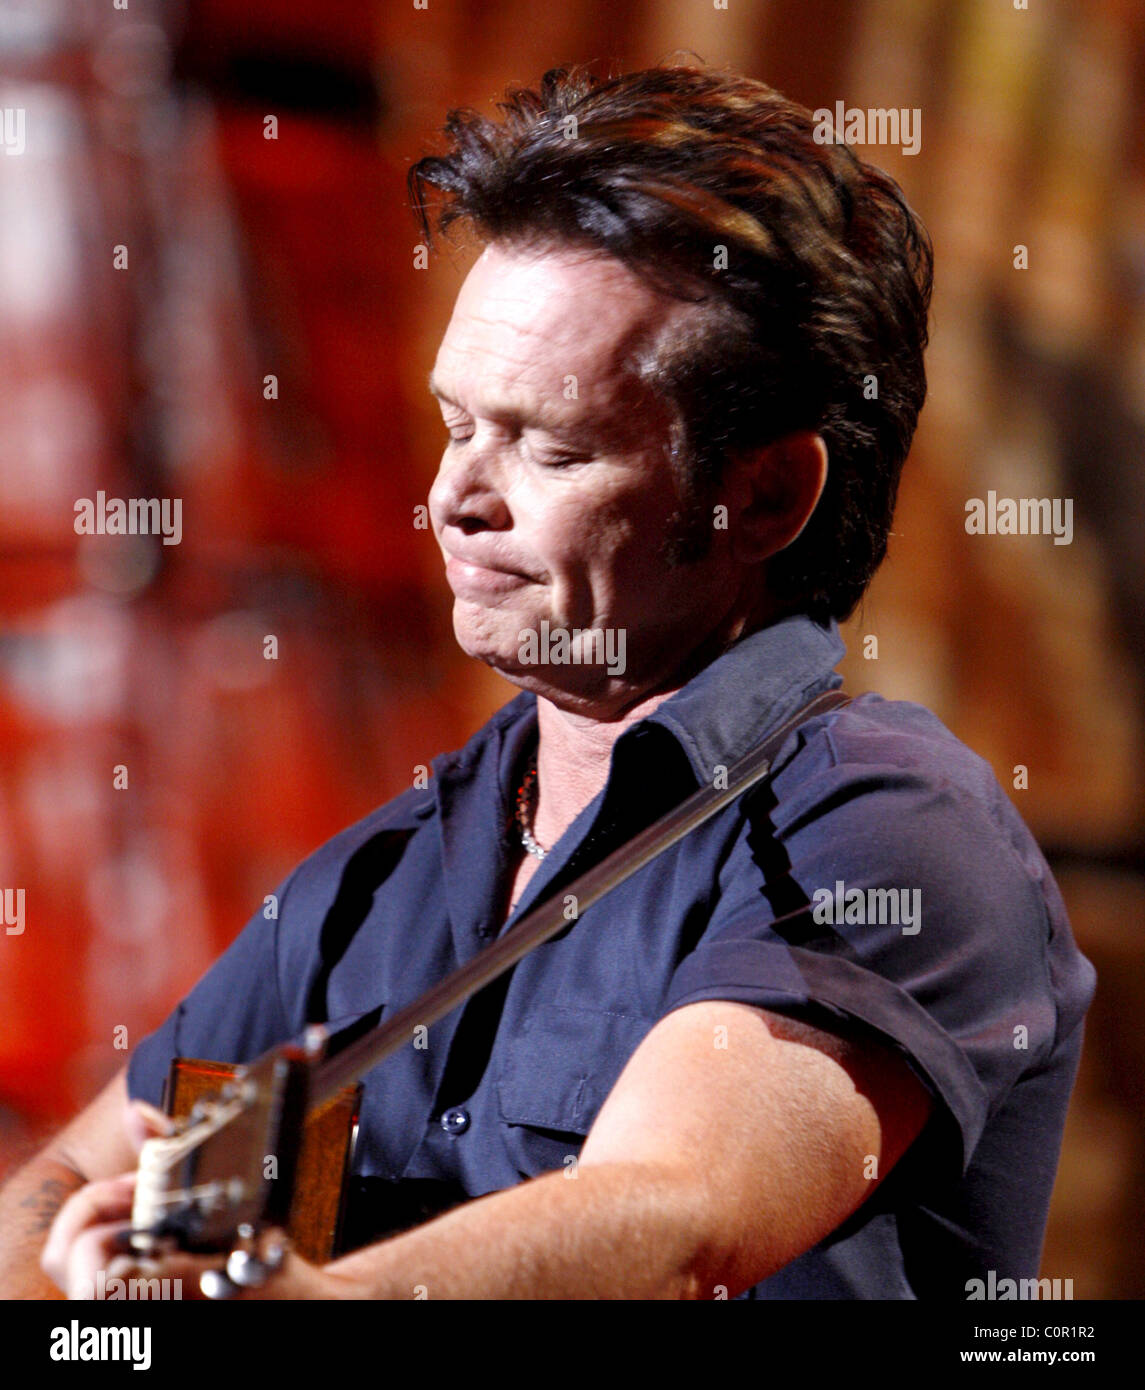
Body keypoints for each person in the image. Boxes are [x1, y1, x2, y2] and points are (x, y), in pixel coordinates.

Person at [1, 64, 1094, 1301]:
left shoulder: (885, 826)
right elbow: (67, 1186)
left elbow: (678, 1221)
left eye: (550, 445)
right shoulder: (385, 872)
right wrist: (85, 1278)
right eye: (457, 423)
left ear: (767, 494)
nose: (454, 500)